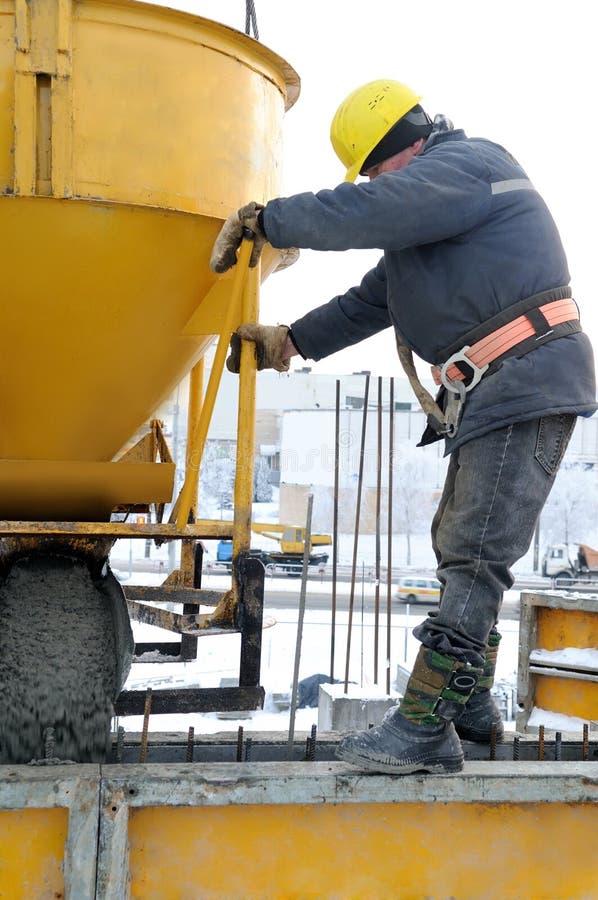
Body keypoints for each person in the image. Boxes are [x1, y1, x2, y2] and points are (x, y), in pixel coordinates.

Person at [210, 79, 597, 774]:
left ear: (405, 146)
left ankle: (423, 728)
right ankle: (472, 708)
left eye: (374, 169)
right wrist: (289, 342)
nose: (371, 183)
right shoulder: (435, 219)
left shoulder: (468, 167)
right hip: (501, 392)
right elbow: (371, 302)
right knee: (459, 544)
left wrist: (274, 220)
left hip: (527, 382)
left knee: (476, 553)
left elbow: (371, 209)